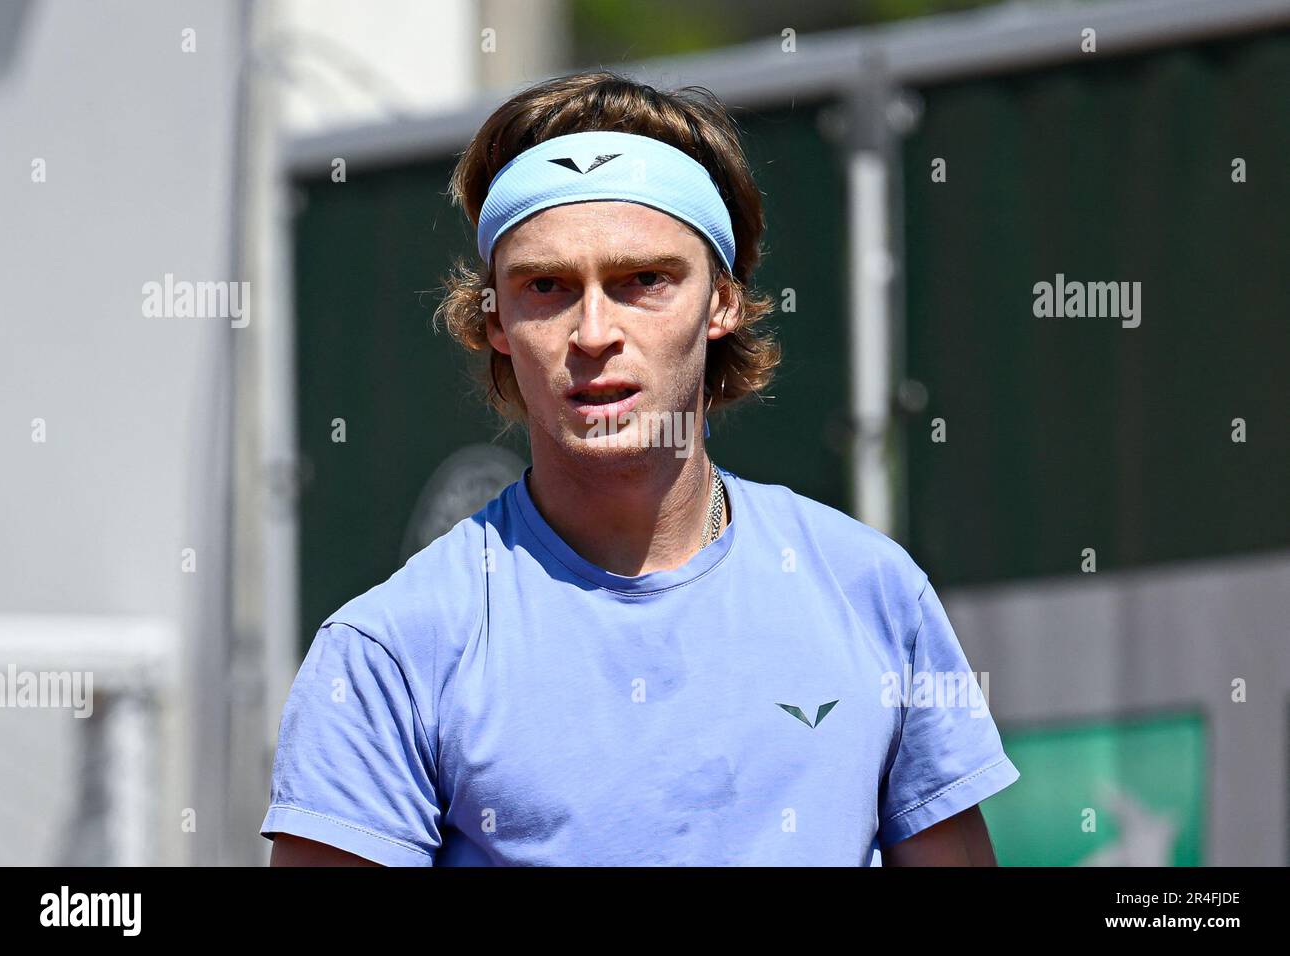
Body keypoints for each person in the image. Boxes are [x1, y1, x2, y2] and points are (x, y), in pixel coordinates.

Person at [262, 70, 1019, 866]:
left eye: (642, 281)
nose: (594, 331)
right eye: (546, 286)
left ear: (722, 301)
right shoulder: (387, 651)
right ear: (494, 321)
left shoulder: (873, 589)